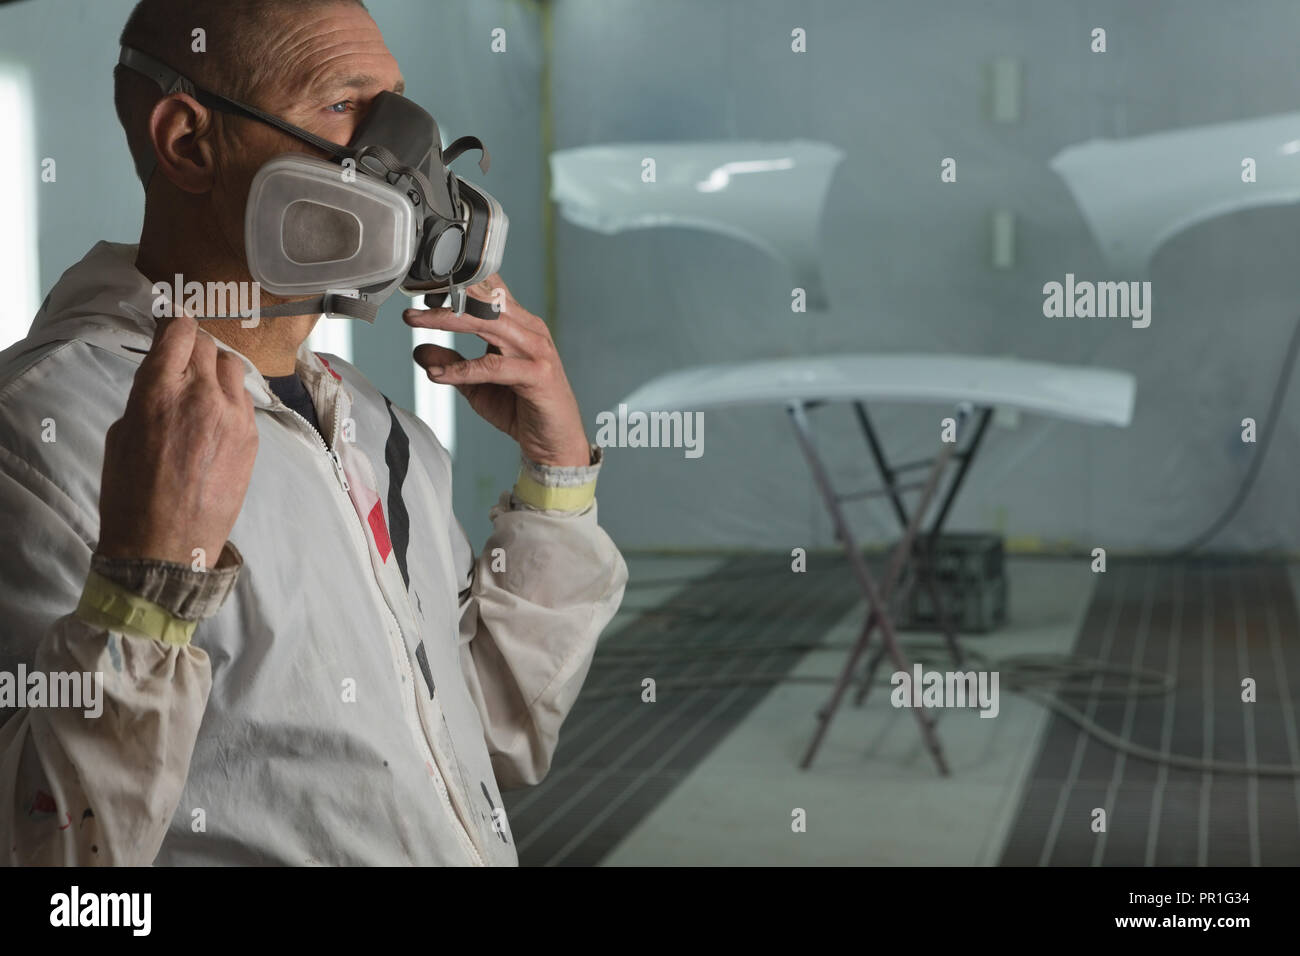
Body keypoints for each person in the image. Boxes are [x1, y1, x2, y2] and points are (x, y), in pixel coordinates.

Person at [0, 0, 626, 865]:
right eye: (343, 106)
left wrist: (556, 482)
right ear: (190, 143)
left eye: (397, 105)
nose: (408, 160)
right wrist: (144, 591)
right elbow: (54, 865)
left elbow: (491, 732)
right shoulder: (42, 434)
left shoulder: (378, 432)